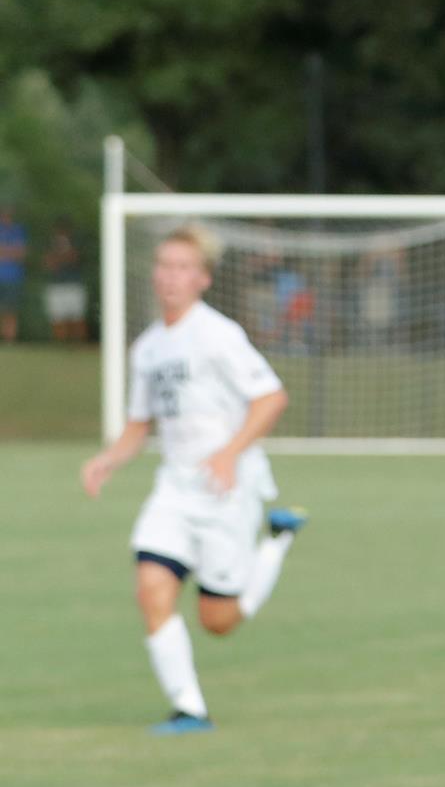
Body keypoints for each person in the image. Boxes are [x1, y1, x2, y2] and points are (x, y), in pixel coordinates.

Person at [79, 225, 306, 734]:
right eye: (164, 265)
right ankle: (189, 709)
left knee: (217, 622)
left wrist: (228, 454)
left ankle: (278, 541)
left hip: (229, 488)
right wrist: (109, 459)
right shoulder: (148, 348)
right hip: (175, 489)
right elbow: (141, 423)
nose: (171, 277)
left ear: (202, 278)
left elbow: (271, 398)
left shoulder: (218, 335)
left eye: (183, 267)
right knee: (151, 589)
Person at [41, 216, 87, 345]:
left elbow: (75, 258)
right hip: (56, 285)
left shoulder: (76, 242)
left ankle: (79, 344)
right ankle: (61, 344)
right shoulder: (50, 243)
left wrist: (59, 258)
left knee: (77, 317)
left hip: (73, 284)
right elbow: (47, 263)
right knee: (57, 317)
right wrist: (62, 257)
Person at [0, 205, 25, 343]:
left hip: (12, 277)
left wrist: (4, 252)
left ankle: (9, 339)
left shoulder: (18, 230)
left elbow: (20, 253)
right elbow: (14, 252)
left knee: (11, 309)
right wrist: (10, 252)